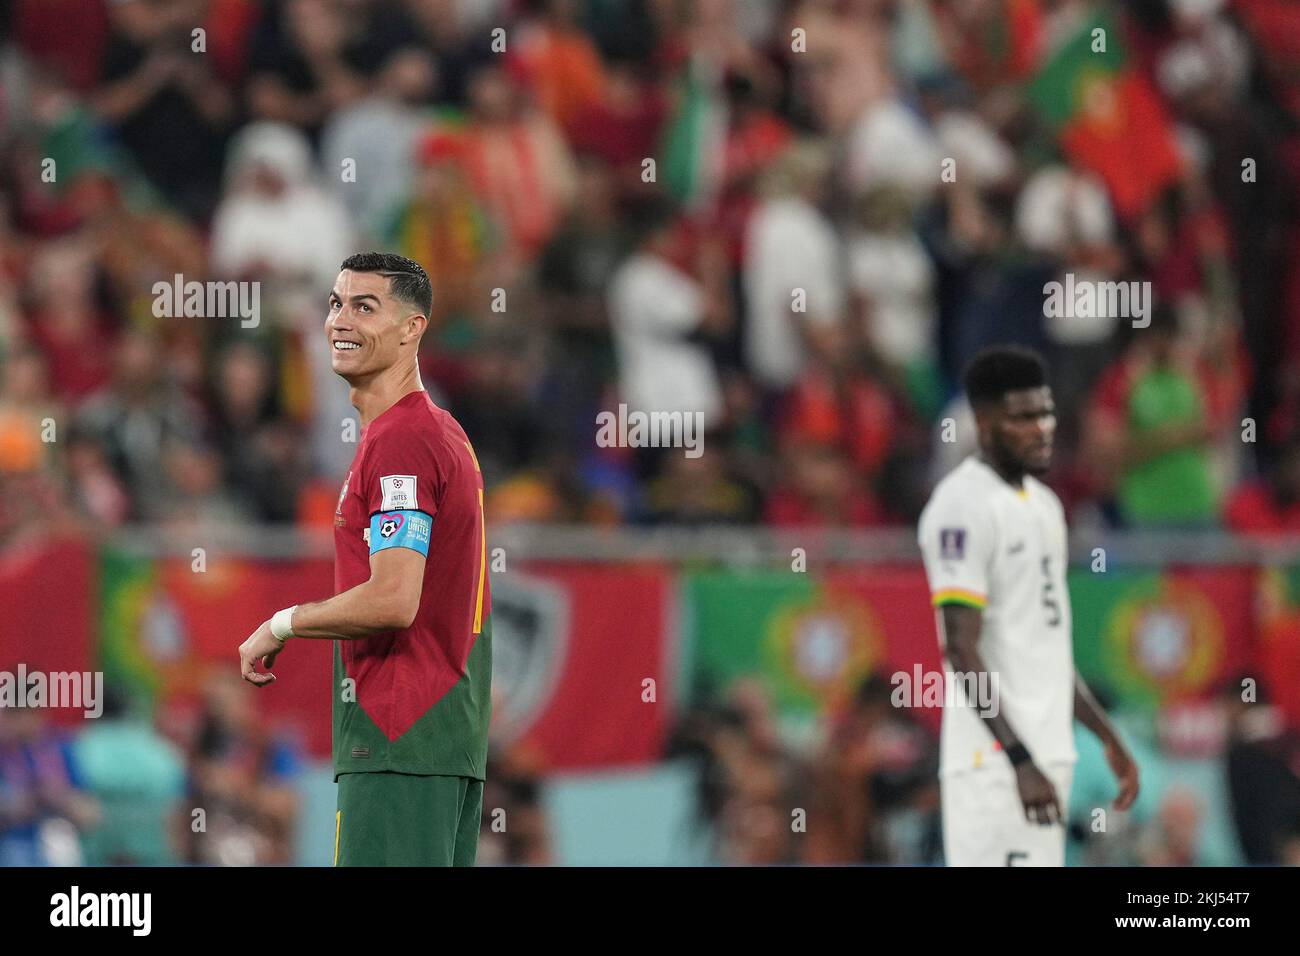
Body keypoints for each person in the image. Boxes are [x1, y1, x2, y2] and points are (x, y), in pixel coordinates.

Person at [236, 252, 492, 867]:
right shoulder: (436, 431)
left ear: (413, 329)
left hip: (399, 729)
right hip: (437, 737)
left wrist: (281, 624)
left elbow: (393, 599)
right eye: (335, 303)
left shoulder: (404, 438)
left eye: (364, 306)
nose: (340, 320)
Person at [917, 345, 1139, 866]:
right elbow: (961, 650)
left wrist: (1106, 735)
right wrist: (1017, 759)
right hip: (994, 768)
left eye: (1045, 413)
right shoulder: (960, 507)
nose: (1041, 428)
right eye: (1022, 417)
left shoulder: (1044, 506)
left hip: (1049, 758)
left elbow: (1045, 649)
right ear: (983, 421)